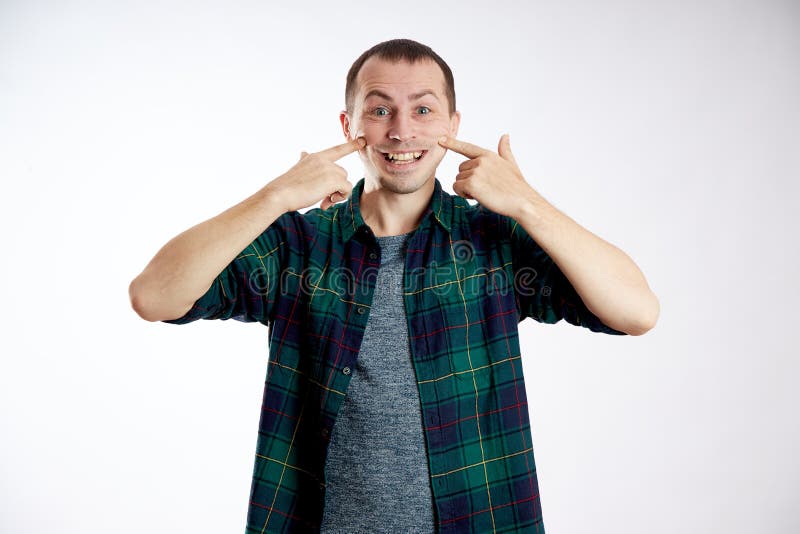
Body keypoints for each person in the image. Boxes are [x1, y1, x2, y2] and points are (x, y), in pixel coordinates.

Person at [129, 38, 659, 533]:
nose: (401, 131)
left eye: (423, 110)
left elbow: (636, 311)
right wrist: (273, 197)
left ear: (452, 124)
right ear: (349, 124)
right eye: (380, 110)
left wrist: (525, 203)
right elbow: (154, 296)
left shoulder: (492, 241)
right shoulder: (299, 246)